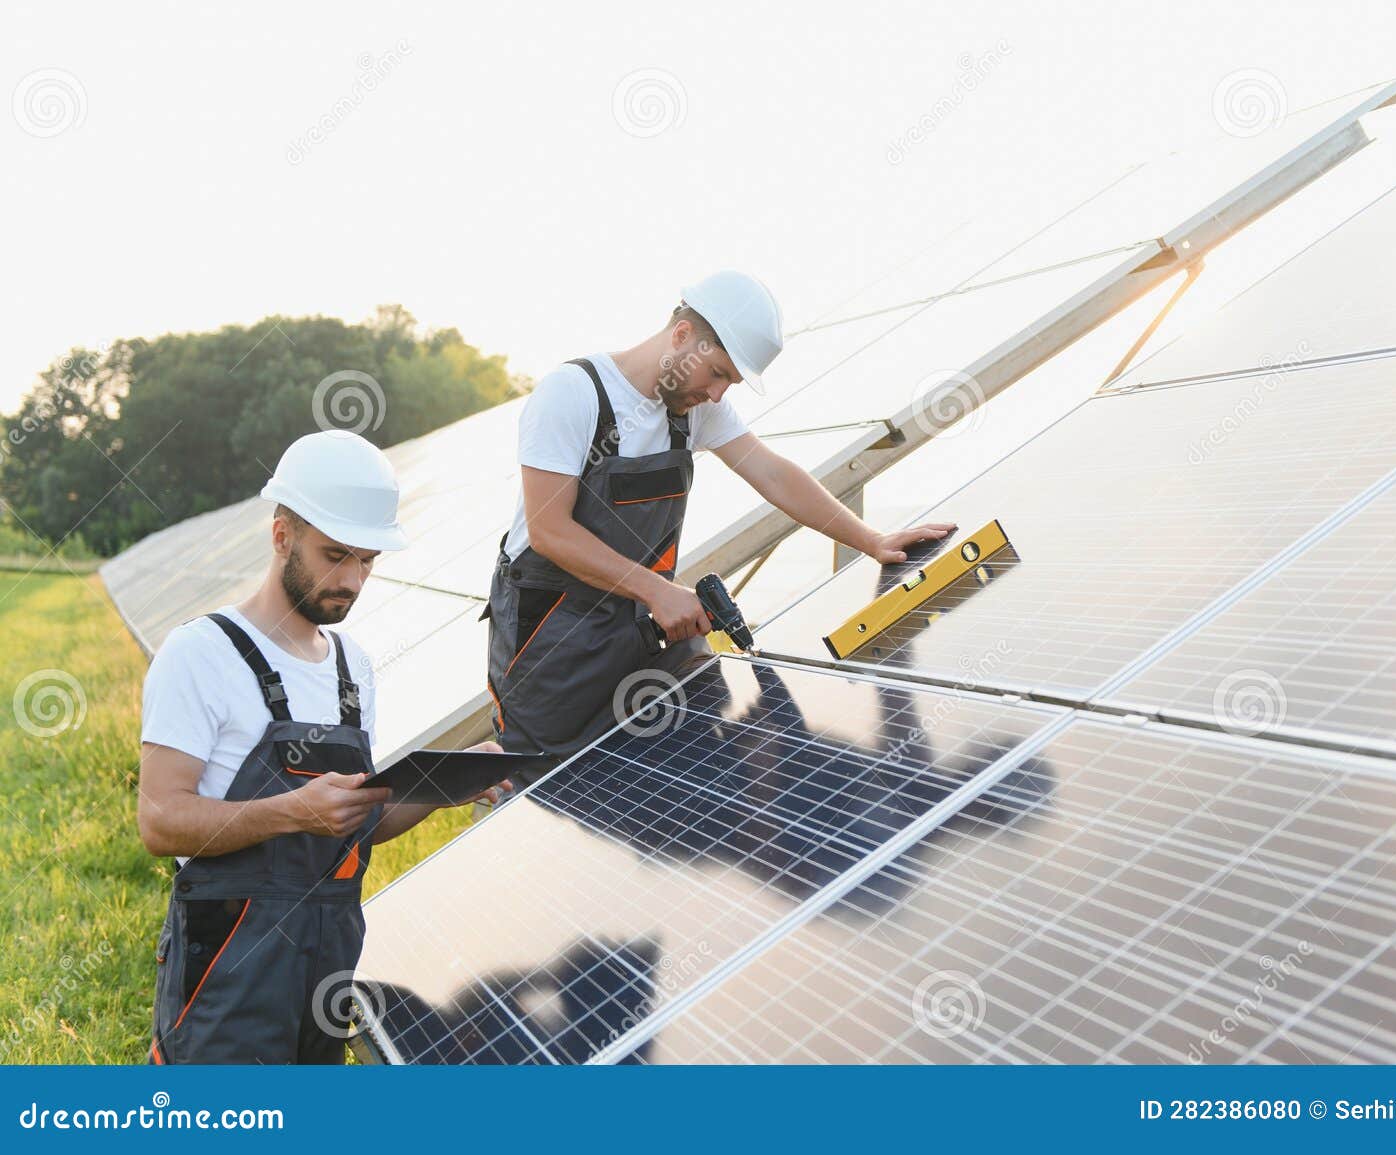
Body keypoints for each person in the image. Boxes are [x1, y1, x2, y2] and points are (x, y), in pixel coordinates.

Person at [137, 429, 509, 1064]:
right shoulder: (202, 653)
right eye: (335, 555)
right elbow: (160, 820)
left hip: (330, 958)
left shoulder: (352, 668)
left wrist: (444, 785)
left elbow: (352, 826)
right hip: (231, 962)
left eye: (367, 560)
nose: (353, 580)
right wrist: (288, 812)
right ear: (282, 533)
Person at [485, 269, 954, 759]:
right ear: (683, 336)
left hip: (638, 623)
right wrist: (656, 590)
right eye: (718, 374)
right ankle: (484, 773)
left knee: (695, 757)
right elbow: (549, 531)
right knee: (540, 776)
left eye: (729, 382)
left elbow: (773, 475)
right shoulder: (573, 394)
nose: (717, 395)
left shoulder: (691, 409)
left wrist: (872, 541)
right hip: (551, 636)